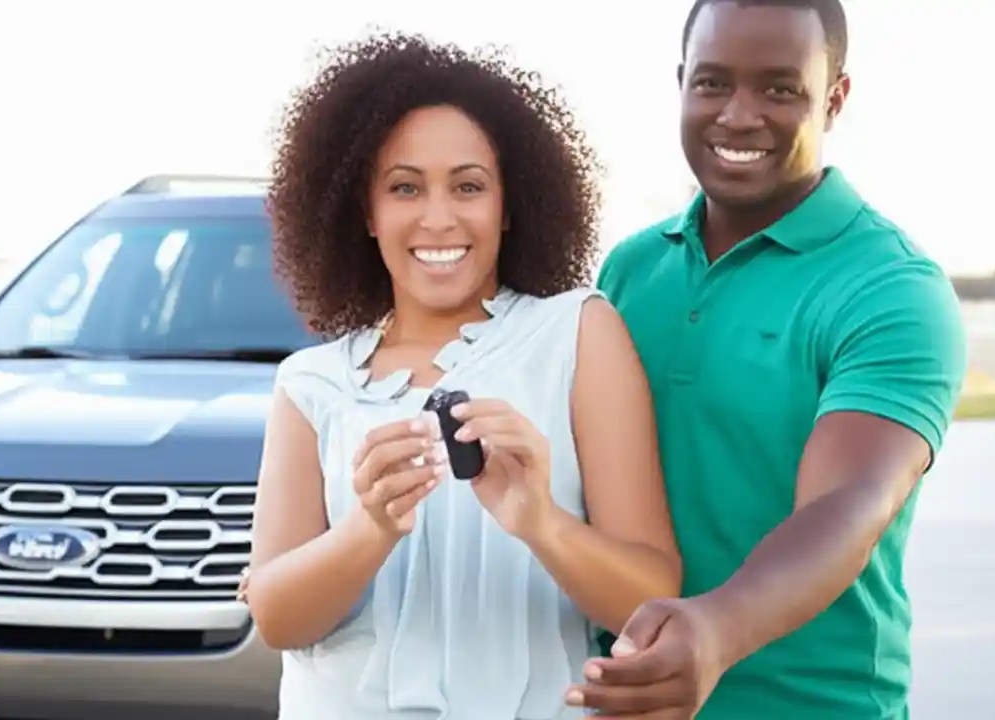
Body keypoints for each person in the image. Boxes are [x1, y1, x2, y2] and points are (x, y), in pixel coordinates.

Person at [244, 32, 683, 719]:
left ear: (510, 205)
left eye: (469, 186)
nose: (439, 216)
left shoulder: (576, 333)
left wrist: (540, 521)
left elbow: (652, 598)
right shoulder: (312, 382)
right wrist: (369, 530)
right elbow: (275, 619)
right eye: (404, 187)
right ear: (366, 211)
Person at [568, 1, 968, 718]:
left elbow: (850, 503)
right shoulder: (629, 270)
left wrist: (717, 628)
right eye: (713, 83)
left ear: (835, 98)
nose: (739, 115)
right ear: (682, 83)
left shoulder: (892, 286)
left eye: (779, 88)